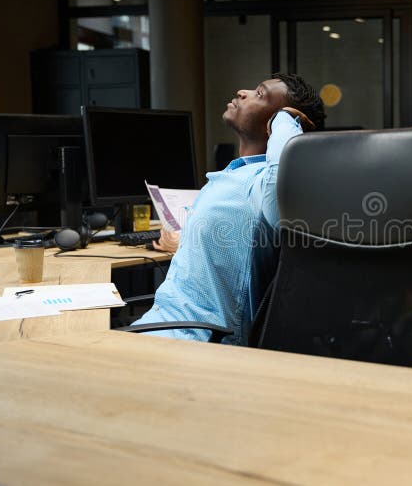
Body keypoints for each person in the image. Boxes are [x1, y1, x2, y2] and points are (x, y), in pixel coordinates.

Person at [134, 73, 326, 344]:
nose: (242, 92)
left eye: (260, 94)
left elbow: (279, 185)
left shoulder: (264, 183)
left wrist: (286, 119)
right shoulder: (235, 175)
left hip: (188, 338)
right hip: (164, 325)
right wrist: (187, 243)